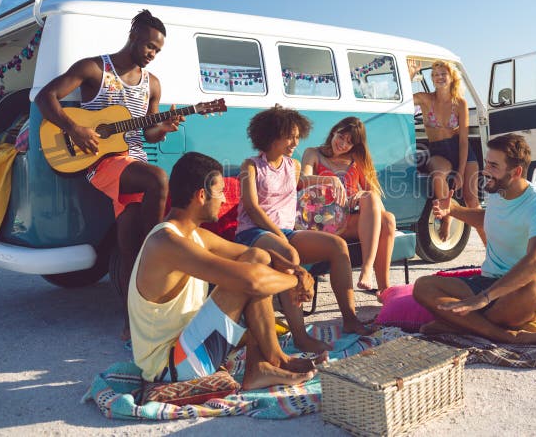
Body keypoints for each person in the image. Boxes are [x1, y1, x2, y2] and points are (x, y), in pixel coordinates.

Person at [35, 10, 181, 339]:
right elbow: (47, 97)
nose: (152, 54)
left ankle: (134, 324)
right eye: (149, 46)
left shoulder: (152, 85)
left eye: (157, 51)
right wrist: (74, 128)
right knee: (159, 178)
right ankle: (158, 249)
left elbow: (150, 133)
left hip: (134, 163)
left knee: (128, 244)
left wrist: (165, 128)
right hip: (103, 163)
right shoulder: (94, 69)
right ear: (134, 36)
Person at [128, 151, 323, 389]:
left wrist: (297, 270)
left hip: (190, 343)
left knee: (255, 257)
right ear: (202, 195)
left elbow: (257, 255)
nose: (223, 199)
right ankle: (275, 360)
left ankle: (264, 365)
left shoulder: (194, 235)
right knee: (249, 277)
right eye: (220, 192)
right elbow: (251, 281)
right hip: (170, 366)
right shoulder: (167, 242)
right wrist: (296, 282)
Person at [236, 105, 372, 353]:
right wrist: (279, 235)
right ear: (271, 135)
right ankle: (300, 336)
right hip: (254, 233)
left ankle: (350, 319)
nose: (295, 142)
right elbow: (252, 208)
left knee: (338, 246)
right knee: (289, 255)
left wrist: (330, 180)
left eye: (298, 136)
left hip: (285, 233)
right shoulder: (251, 165)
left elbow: (303, 183)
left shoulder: (293, 165)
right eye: (290, 136)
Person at [413, 133, 536, 345]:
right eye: (487, 163)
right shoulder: (498, 190)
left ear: (516, 172)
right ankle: (503, 335)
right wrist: (453, 209)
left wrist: (483, 298)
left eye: (494, 166)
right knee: (423, 286)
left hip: (522, 287)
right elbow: (489, 218)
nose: (485, 171)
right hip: (487, 280)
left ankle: (458, 326)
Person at [300, 117, 396, 297]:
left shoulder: (356, 160)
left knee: (387, 218)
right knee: (379, 210)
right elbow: (302, 180)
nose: (343, 144)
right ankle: (375, 279)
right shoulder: (313, 153)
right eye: (341, 137)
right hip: (322, 222)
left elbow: (379, 207)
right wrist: (329, 180)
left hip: (348, 221)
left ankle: (383, 289)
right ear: (334, 132)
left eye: (349, 143)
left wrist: (363, 196)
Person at [410, 60, 485, 245]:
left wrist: (460, 172)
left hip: (461, 149)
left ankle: (491, 250)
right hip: (438, 150)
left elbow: (463, 140)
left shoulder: (460, 103)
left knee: (472, 203)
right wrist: (410, 74)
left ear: (452, 77)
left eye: (443, 73)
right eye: (435, 75)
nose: (439, 77)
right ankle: (447, 214)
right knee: (438, 174)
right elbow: (402, 98)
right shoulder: (425, 99)